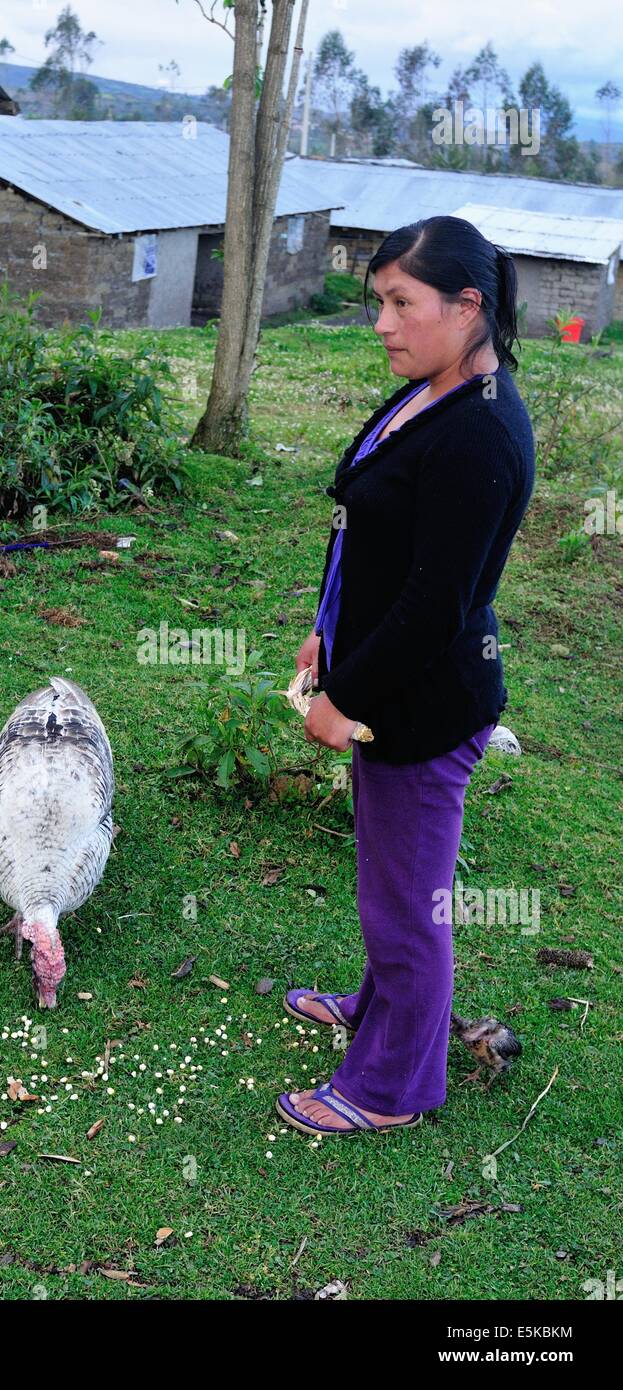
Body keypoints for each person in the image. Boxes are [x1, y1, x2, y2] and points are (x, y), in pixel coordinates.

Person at [276, 215, 535, 1138]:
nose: (381, 323)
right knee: (388, 881)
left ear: (468, 306)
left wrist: (344, 697)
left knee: (406, 907)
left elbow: (434, 605)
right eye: (377, 302)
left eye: (399, 304)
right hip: (387, 679)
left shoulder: (480, 436)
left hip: (419, 708)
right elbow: (370, 533)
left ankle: (390, 1088)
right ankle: (376, 1008)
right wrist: (324, 632)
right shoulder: (429, 390)